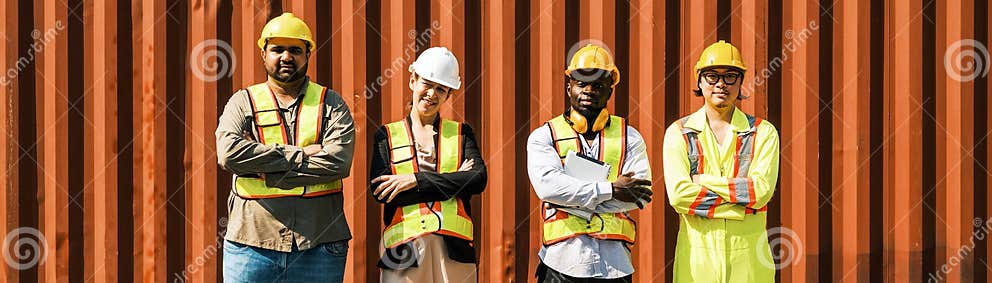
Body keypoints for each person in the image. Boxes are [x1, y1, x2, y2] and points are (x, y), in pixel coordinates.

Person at [216, 12, 355, 282]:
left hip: (319, 246)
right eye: (277, 49)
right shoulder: (242, 102)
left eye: (295, 50)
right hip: (251, 245)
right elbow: (229, 154)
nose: (286, 57)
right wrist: (299, 154)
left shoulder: (331, 103)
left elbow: (338, 162)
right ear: (263, 54)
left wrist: (266, 170)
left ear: (308, 54)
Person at [527, 43, 654, 282]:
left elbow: (638, 196)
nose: (589, 90)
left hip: (615, 265)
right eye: (581, 83)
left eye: (598, 85)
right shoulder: (544, 136)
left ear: (610, 91)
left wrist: (569, 200)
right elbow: (548, 189)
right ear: (569, 87)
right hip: (561, 264)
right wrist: (611, 190)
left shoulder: (630, 137)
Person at [662, 40, 780, 282]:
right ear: (699, 81)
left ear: (740, 81)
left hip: (749, 266)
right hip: (696, 267)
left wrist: (701, 181)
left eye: (730, 76)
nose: (721, 84)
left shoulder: (763, 132)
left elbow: (760, 193)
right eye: (712, 76)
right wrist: (740, 208)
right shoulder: (679, 132)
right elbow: (679, 196)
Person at [369, 46, 487, 283]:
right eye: (427, 84)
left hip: (454, 251)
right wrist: (454, 182)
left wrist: (414, 180)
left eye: (441, 89)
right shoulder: (386, 135)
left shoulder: (462, 133)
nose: (432, 94)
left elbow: (477, 179)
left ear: (448, 95)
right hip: (403, 252)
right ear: (412, 81)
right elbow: (382, 192)